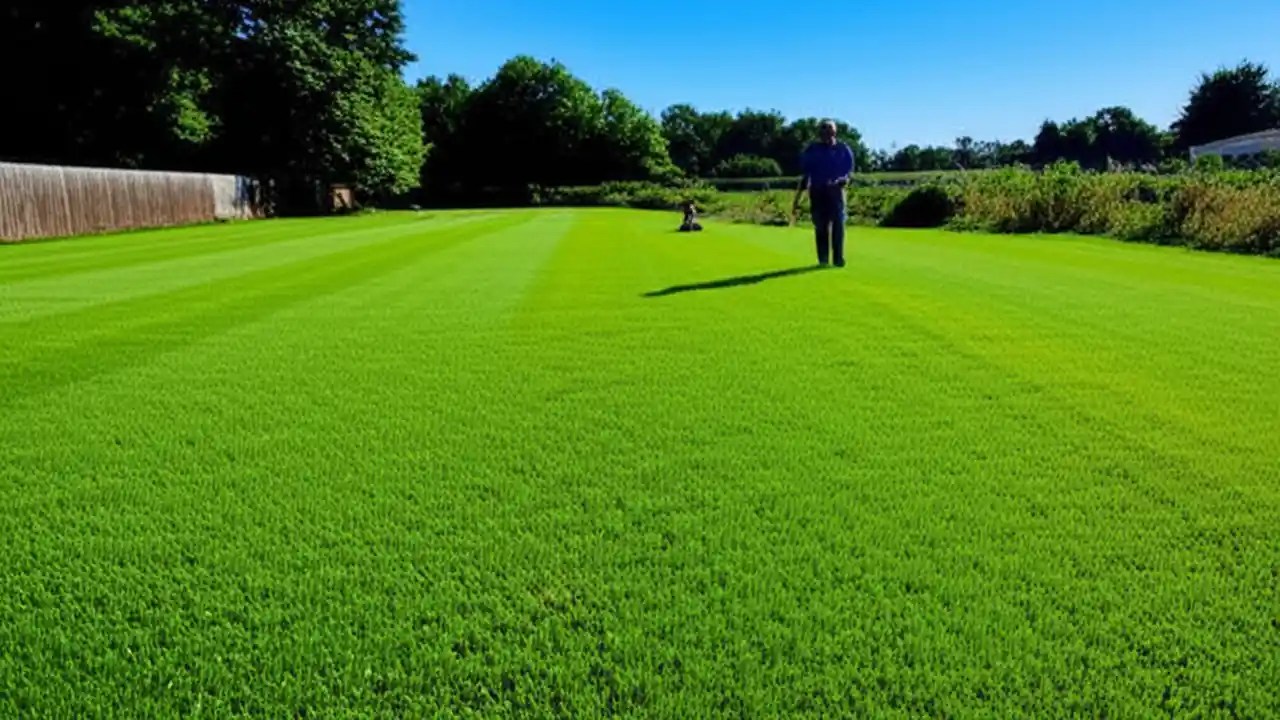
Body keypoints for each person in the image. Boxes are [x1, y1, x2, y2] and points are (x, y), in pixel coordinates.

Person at [793, 119, 854, 267]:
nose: (826, 133)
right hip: (818, 192)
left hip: (836, 192)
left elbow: (849, 172)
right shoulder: (812, 150)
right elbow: (806, 175)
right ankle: (823, 259)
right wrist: (797, 199)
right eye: (823, 130)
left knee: (838, 225)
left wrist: (843, 180)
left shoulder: (843, 149)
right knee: (821, 227)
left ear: (835, 132)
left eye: (829, 130)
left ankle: (838, 258)